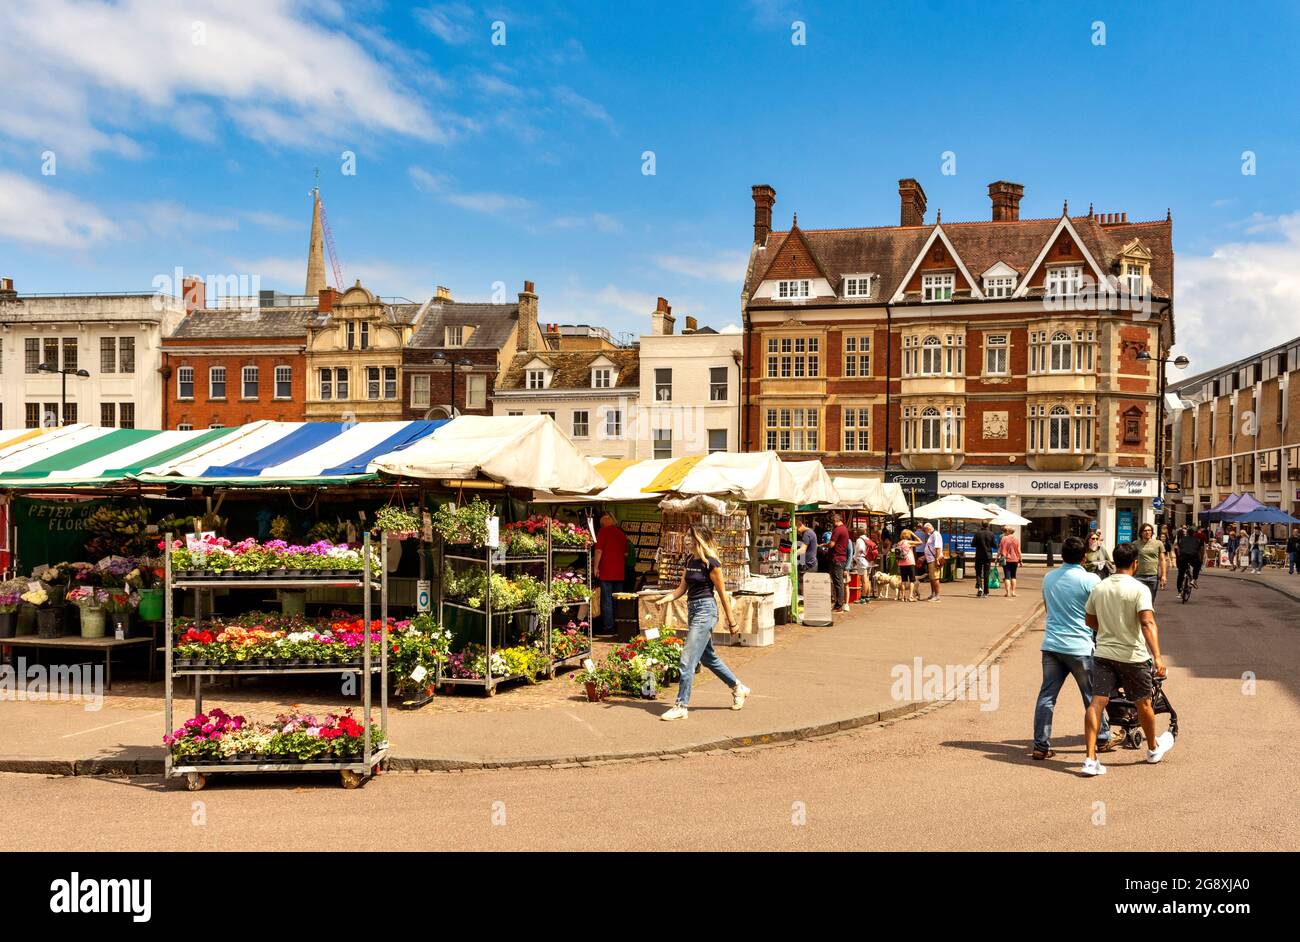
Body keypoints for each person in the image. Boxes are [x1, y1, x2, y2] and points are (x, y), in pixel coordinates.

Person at [1080, 541, 1174, 775]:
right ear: (1135, 563)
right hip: (1133, 657)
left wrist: (1109, 628)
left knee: (1097, 703)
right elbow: (1147, 621)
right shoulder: (1139, 589)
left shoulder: (1099, 588)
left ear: (1114, 562)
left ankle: (1090, 760)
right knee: (1143, 703)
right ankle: (1152, 749)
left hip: (1103, 655)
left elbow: (1089, 621)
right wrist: (1158, 657)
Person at [654, 525, 748, 721]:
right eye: (686, 535)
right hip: (693, 610)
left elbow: (722, 594)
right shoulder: (689, 560)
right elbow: (681, 588)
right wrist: (665, 599)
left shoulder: (711, 563)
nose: (686, 539)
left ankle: (681, 705)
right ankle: (738, 688)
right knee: (708, 658)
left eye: (690, 536)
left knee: (687, 659)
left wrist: (732, 622)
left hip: (706, 611)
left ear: (700, 539)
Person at [1033, 536, 1112, 760]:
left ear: (1061, 556)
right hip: (1080, 646)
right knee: (1092, 697)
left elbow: (1048, 609)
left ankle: (1040, 745)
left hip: (1051, 645)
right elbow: (1099, 613)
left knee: (1047, 697)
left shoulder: (1048, 578)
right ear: (1084, 556)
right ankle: (1103, 738)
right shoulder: (1091, 580)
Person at [593, 513, 628, 635]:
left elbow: (598, 551)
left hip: (606, 572)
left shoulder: (603, 532)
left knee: (606, 600)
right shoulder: (621, 534)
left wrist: (595, 567)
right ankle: (620, 626)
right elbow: (625, 554)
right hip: (619, 573)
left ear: (603, 524)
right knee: (618, 600)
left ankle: (609, 627)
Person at [1133, 523, 1166, 603]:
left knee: (1151, 600)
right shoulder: (1135, 544)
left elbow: (1162, 560)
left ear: (1152, 532)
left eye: (1149, 530)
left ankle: (1149, 615)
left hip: (1153, 577)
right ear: (1141, 532)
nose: (1147, 532)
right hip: (1139, 576)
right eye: (1145, 530)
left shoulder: (1158, 543)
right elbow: (1133, 560)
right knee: (1138, 600)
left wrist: (1163, 575)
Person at [828, 514, 851, 614]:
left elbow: (832, 544)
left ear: (835, 520)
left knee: (838, 583)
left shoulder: (838, 530)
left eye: (833, 522)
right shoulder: (844, 529)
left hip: (837, 558)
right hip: (841, 559)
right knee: (839, 583)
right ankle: (838, 604)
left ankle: (839, 606)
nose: (832, 524)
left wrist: (825, 545)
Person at [971, 520, 998, 598]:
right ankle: (986, 592)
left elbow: (972, 544)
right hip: (988, 556)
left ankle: (979, 587)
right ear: (988, 525)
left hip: (979, 556)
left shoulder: (977, 533)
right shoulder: (991, 534)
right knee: (986, 574)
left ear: (981, 525)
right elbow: (995, 546)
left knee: (978, 572)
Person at [895, 529, 922, 602]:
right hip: (910, 562)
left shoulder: (899, 543)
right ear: (907, 535)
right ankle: (910, 596)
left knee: (903, 581)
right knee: (912, 581)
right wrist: (914, 534)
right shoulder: (908, 542)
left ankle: (903, 597)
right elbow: (920, 542)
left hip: (901, 563)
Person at [1175, 526, 1203, 593]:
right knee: (1197, 565)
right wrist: (1201, 559)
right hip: (1193, 557)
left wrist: (1179, 557)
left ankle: (1179, 590)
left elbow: (1179, 549)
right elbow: (1200, 550)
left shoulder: (1182, 539)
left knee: (1180, 573)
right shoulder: (1197, 540)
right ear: (1194, 533)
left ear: (1187, 533)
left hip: (1183, 557)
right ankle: (1194, 579)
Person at [852, 526, 877, 603]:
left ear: (858, 533)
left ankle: (863, 598)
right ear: (865, 532)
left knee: (864, 580)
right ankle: (868, 597)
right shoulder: (867, 539)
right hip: (869, 561)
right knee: (867, 579)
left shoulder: (859, 540)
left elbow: (860, 550)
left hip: (862, 561)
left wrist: (854, 558)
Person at [921, 522, 944, 602]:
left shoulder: (935, 534)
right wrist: (924, 557)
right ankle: (933, 594)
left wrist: (937, 559)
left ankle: (937, 596)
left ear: (928, 528)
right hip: (930, 559)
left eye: (925, 530)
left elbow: (938, 547)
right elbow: (930, 548)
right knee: (931, 578)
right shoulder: (932, 535)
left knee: (935, 578)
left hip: (934, 560)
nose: (924, 532)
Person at [997, 525, 1021, 598]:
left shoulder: (1004, 539)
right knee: (1013, 576)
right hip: (1015, 559)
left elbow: (1000, 549)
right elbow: (1019, 551)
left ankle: (1007, 593)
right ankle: (1013, 592)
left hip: (1006, 559)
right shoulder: (1017, 539)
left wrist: (997, 557)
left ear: (1008, 531)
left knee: (1007, 576)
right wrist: (1021, 560)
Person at [795, 520, 819, 592]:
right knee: (810, 587)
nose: (796, 531)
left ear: (799, 526)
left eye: (795, 528)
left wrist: (792, 554)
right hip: (812, 563)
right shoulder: (810, 532)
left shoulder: (806, 534)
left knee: (806, 587)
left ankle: (805, 601)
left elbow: (803, 550)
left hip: (808, 565)